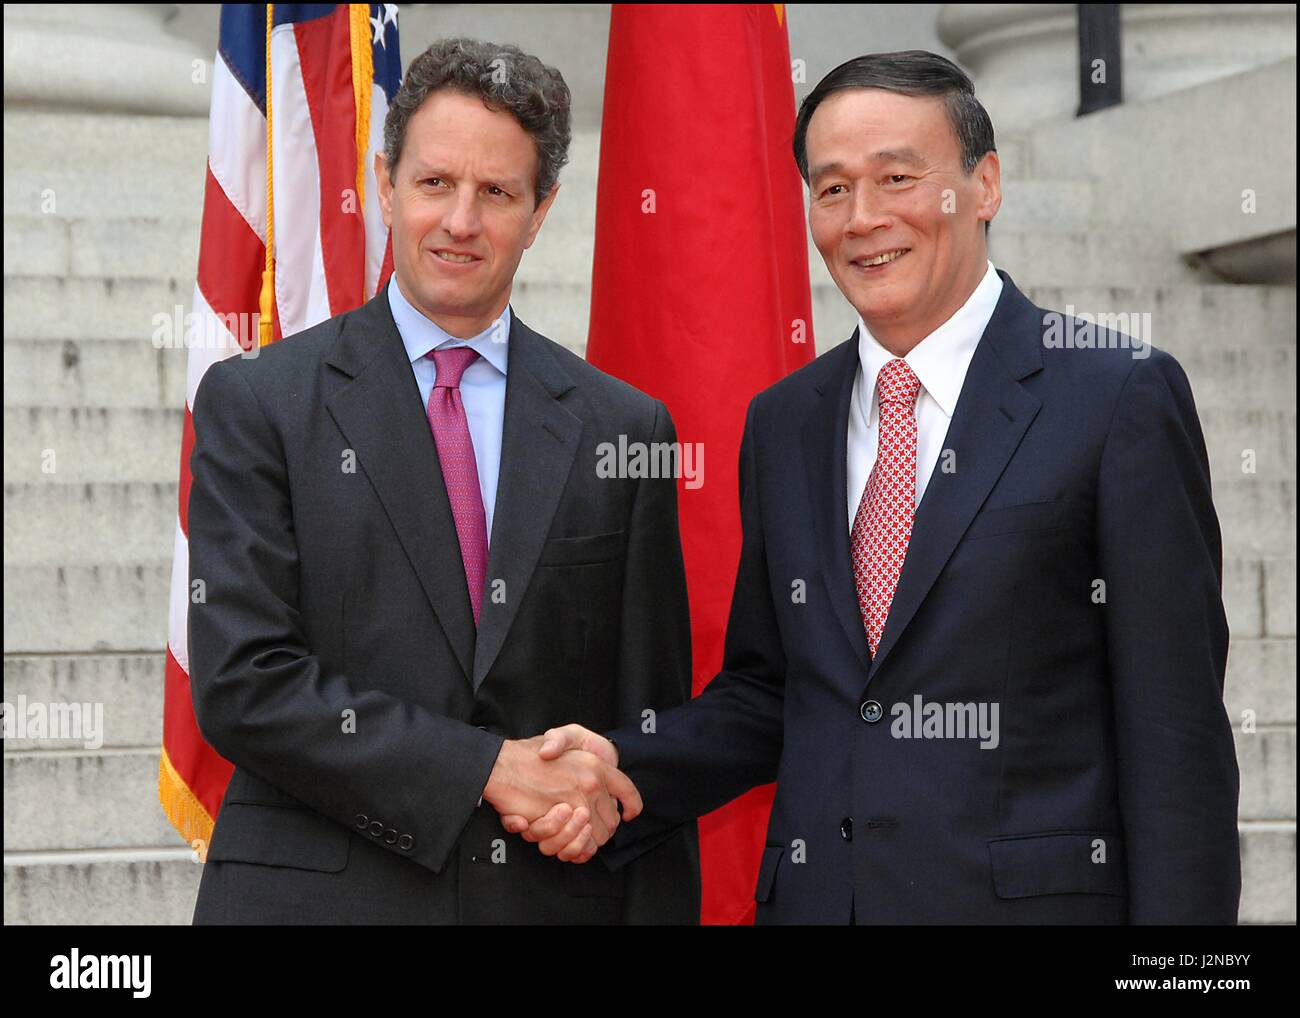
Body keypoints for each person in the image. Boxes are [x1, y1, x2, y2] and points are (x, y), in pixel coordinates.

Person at [505, 50, 1241, 924]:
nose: (863, 219)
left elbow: (1176, 736)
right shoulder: (785, 422)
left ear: (985, 185)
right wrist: (617, 771)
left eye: (897, 177)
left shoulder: (1115, 395)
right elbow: (772, 692)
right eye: (831, 189)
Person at [187, 37, 699, 924]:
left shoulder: (624, 428)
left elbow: (641, 728)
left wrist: (604, 802)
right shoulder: (259, 401)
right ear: (385, 184)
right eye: (434, 184)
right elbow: (245, 683)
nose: (460, 222)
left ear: (540, 211)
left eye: (496, 192)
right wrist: (487, 767)